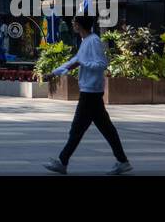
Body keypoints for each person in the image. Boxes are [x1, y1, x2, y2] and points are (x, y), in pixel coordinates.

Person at [43, 15, 132, 175]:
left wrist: (85, 63)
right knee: (105, 129)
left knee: (78, 129)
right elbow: (75, 61)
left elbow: (101, 64)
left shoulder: (94, 41)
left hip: (91, 93)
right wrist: (53, 73)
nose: (72, 24)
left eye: (74, 22)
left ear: (79, 25)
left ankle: (62, 161)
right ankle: (123, 161)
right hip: (90, 92)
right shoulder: (86, 41)